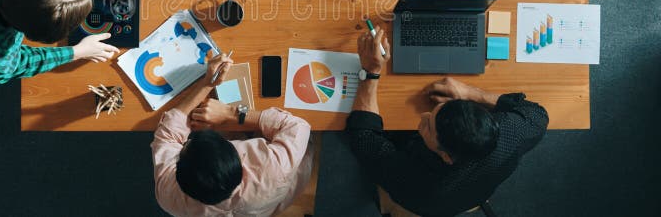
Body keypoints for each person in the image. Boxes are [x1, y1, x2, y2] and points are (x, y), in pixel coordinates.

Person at [346, 27, 549, 216]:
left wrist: (371, 72)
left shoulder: (413, 181)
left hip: (429, 202)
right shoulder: (511, 132)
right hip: (476, 190)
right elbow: (539, 114)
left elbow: (363, 135)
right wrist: (471, 93)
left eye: (428, 126)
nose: (423, 116)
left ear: (446, 156)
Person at [152, 53, 313, 216]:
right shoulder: (274, 167)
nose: (185, 142)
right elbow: (298, 126)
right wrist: (231, 114)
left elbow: (168, 134)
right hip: (274, 193)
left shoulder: (169, 196)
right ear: (236, 156)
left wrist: (207, 84)